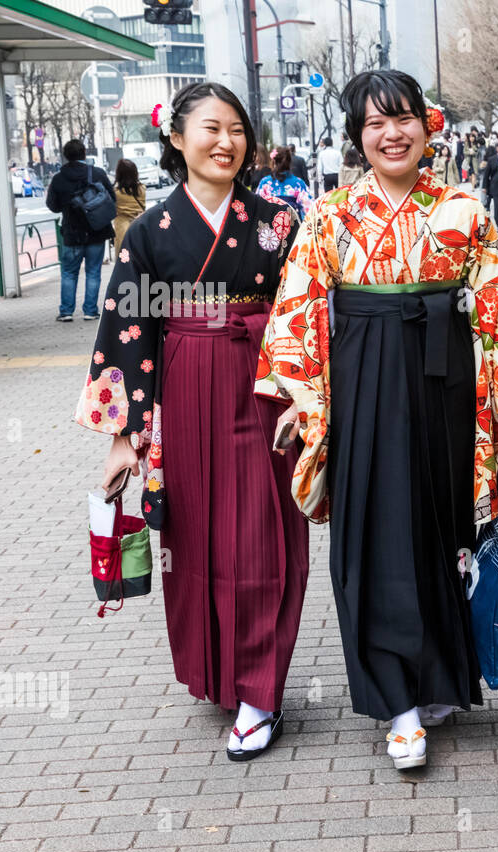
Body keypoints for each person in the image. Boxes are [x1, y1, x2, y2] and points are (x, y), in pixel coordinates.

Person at [258, 69, 498, 771]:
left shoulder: (462, 209)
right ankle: (396, 703)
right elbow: (298, 304)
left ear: (427, 124)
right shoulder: (328, 215)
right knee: (375, 533)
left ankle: (442, 678)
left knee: (446, 526)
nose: (393, 134)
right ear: (357, 137)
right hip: (361, 376)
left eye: (404, 118)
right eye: (375, 123)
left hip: (448, 377)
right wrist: (302, 399)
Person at [74, 81, 309, 761]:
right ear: (176, 139)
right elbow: (128, 328)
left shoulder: (278, 223)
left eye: (237, 129)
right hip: (182, 387)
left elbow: (304, 317)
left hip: (264, 386)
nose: (226, 141)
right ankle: (216, 672)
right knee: (196, 539)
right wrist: (125, 436)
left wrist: (305, 398)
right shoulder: (151, 232)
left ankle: (260, 693)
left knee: (264, 536)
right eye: (210, 128)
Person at [46, 139, 114, 322]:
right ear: (84, 153)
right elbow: (112, 198)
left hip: (72, 232)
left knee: (69, 273)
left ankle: (66, 312)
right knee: (93, 272)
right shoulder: (98, 174)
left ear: (66, 156)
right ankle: (90, 311)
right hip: (97, 231)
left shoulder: (59, 179)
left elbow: (52, 206)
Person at [256, 146, 312, 218]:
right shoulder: (298, 183)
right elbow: (308, 209)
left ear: (273, 162)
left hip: (270, 224)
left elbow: (258, 207)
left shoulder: (265, 183)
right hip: (291, 225)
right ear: (289, 162)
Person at [111, 158, 147, 257]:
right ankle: (144, 274)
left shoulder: (116, 193)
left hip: (122, 229)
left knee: (124, 262)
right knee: (142, 263)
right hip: (139, 227)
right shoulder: (142, 189)